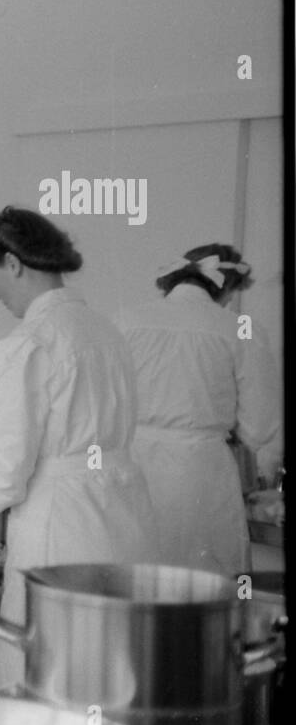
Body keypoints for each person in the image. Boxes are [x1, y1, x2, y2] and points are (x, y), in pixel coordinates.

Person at [0, 206, 159, 691]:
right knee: (108, 673)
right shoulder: (106, 332)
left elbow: (9, 471)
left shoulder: (27, 344)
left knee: (49, 675)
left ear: (13, 264)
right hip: (124, 518)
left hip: (61, 527)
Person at [113, 244, 282, 575]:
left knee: (135, 580)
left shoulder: (126, 319)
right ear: (227, 287)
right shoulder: (240, 328)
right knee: (203, 585)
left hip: (133, 466)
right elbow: (260, 426)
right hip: (201, 472)